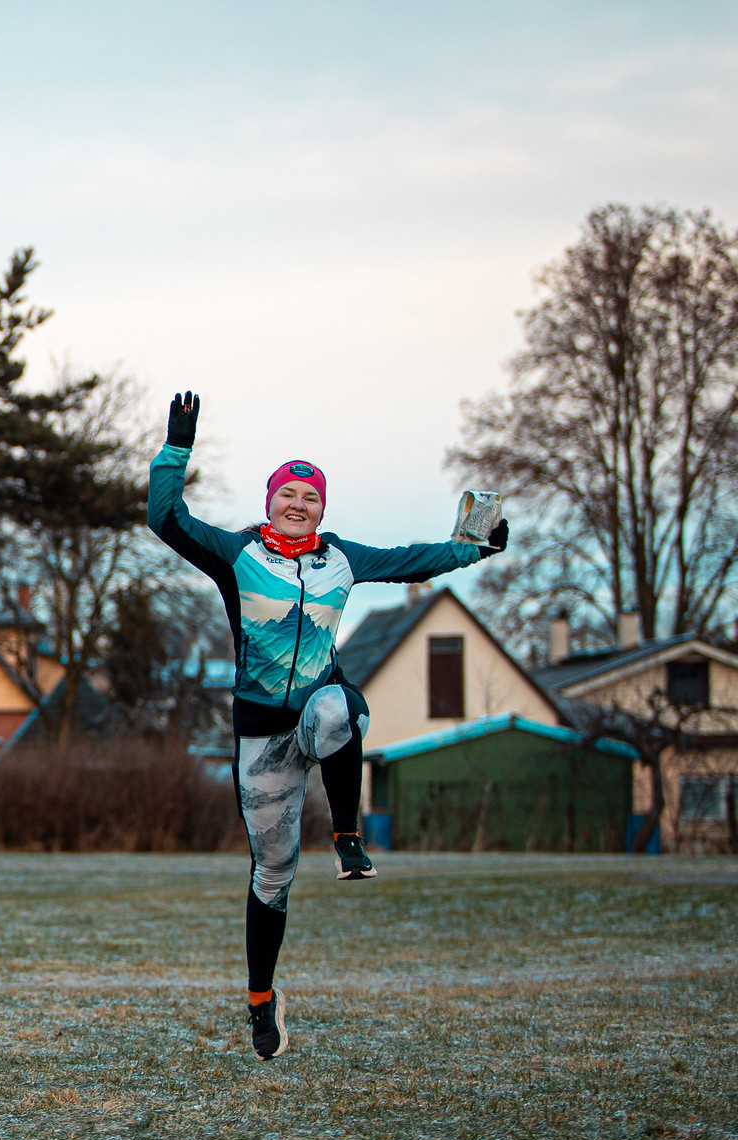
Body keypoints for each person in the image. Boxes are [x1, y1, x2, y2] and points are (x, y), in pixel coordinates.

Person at [146, 391, 508, 1060]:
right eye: (289, 493)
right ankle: (260, 1001)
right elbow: (165, 519)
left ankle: (348, 837)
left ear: (322, 509)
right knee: (272, 872)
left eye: (311, 498)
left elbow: (409, 560)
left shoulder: (339, 559)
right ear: (269, 501)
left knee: (340, 705)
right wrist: (176, 450)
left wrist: (473, 550)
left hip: (315, 715)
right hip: (261, 740)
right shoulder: (239, 554)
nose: (299, 504)